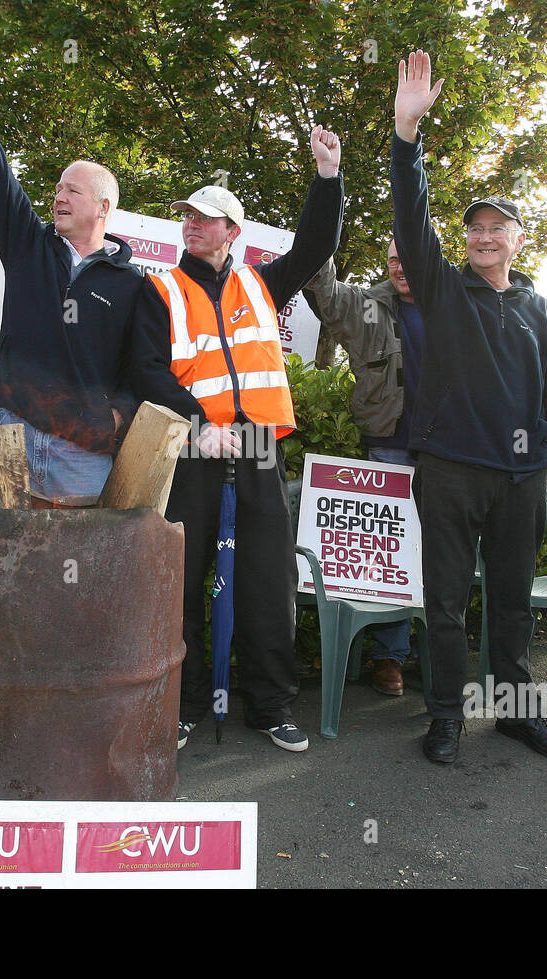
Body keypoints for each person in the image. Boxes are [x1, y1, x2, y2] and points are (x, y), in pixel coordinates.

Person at [128, 130, 344, 753]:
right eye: (188, 217)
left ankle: (271, 704)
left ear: (233, 233)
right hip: (192, 451)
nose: (192, 225)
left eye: (207, 218)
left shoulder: (261, 283)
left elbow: (316, 246)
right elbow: (146, 371)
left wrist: (326, 178)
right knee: (182, 580)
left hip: (257, 449)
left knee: (267, 579)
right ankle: (185, 701)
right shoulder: (159, 288)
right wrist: (201, 426)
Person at [391, 50, 547, 764]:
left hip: (519, 480)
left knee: (511, 604)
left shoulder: (540, 308)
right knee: (443, 604)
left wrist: (544, 450)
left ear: (519, 239)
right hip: (449, 471)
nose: (485, 236)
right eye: (476, 228)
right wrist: (407, 141)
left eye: (499, 227)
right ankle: (443, 715)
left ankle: (515, 713)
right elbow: (413, 222)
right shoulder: (442, 289)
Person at [0, 23, 140, 507]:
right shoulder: (28, 246)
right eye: (57, 189)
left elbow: (141, 367)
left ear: (104, 207)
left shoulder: (132, 284)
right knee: (4, 566)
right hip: (14, 438)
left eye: (73, 190)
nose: (59, 197)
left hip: (83, 457)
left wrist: (117, 418)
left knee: (75, 573)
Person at [302, 240, 422, 695]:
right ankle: (389, 658)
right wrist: (323, 230)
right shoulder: (367, 305)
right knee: (389, 557)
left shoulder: (456, 303)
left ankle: (441, 655)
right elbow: (328, 294)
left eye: (408, 256)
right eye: (393, 258)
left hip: (450, 451)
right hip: (389, 449)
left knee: (441, 555)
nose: (400, 266)